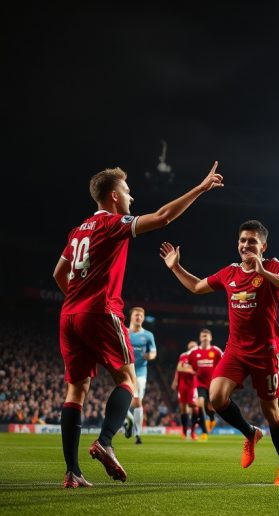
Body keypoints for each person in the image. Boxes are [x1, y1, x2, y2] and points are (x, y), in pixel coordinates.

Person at [53, 162, 223, 488]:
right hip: (101, 312)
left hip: (69, 315)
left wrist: (78, 298)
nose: (132, 196)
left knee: (76, 391)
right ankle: (105, 441)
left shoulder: (77, 231)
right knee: (129, 382)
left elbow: (59, 275)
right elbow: (162, 217)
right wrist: (200, 189)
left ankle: (72, 471)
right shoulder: (112, 224)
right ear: (115, 196)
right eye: (128, 192)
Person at [160, 219, 279, 486]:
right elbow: (196, 287)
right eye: (242, 240)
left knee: (271, 410)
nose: (246, 245)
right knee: (215, 397)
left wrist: (265, 272)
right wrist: (176, 267)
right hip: (236, 350)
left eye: (252, 241)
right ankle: (250, 433)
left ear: (263, 245)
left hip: (266, 351)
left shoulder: (273, 266)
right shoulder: (230, 272)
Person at [123, 307, 156, 444]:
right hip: (124, 371)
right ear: (131, 317)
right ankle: (128, 421)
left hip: (141, 373)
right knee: (123, 400)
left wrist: (149, 356)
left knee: (137, 402)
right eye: (137, 315)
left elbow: (154, 352)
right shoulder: (124, 332)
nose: (139, 318)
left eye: (141, 316)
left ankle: (137, 434)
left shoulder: (148, 335)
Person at [188, 329, 223, 441]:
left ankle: (212, 419)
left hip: (213, 384)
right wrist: (191, 371)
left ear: (211, 338)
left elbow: (223, 364)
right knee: (200, 404)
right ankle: (204, 432)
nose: (205, 338)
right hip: (199, 383)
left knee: (211, 408)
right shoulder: (193, 352)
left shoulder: (216, 351)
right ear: (200, 338)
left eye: (207, 336)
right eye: (203, 336)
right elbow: (188, 365)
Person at [171, 340, 199, 440]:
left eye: (194, 346)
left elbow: (199, 371)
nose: (192, 347)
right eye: (190, 346)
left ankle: (192, 432)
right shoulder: (183, 355)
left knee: (195, 407)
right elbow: (178, 369)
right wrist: (175, 381)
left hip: (193, 385)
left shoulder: (198, 356)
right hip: (182, 384)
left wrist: (186, 368)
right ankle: (184, 431)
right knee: (183, 408)